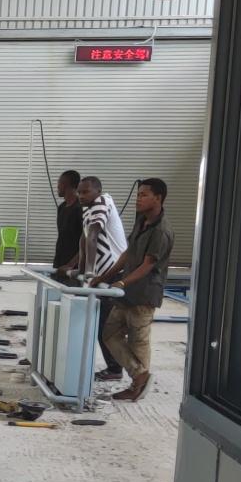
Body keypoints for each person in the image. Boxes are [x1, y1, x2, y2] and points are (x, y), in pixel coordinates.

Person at [93, 178, 174, 401]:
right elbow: (128, 253)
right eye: (138, 195)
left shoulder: (161, 231)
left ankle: (137, 386)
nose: (138, 199)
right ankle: (140, 375)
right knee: (109, 333)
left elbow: (148, 265)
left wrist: (122, 282)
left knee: (138, 341)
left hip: (144, 295)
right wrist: (105, 276)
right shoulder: (142, 220)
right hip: (126, 292)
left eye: (144, 195)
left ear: (158, 198)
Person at [62, 176, 128, 379]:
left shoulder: (101, 203)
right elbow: (84, 239)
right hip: (101, 274)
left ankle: (115, 369)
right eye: (79, 192)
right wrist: (80, 270)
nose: (81, 196)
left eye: (85, 192)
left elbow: (92, 237)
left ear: (97, 191)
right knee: (94, 323)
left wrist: (89, 273)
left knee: (105, 326)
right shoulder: (88, 208)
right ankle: (110, 367)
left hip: (113, 272)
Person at [51, 169, 83, 270]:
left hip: (75, 267)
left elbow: (88, 242)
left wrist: (71, 264)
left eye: (59, 183)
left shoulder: (80, 208)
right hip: (60, 262)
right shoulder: (62, 207)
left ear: (66, 184)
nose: (57, 186)